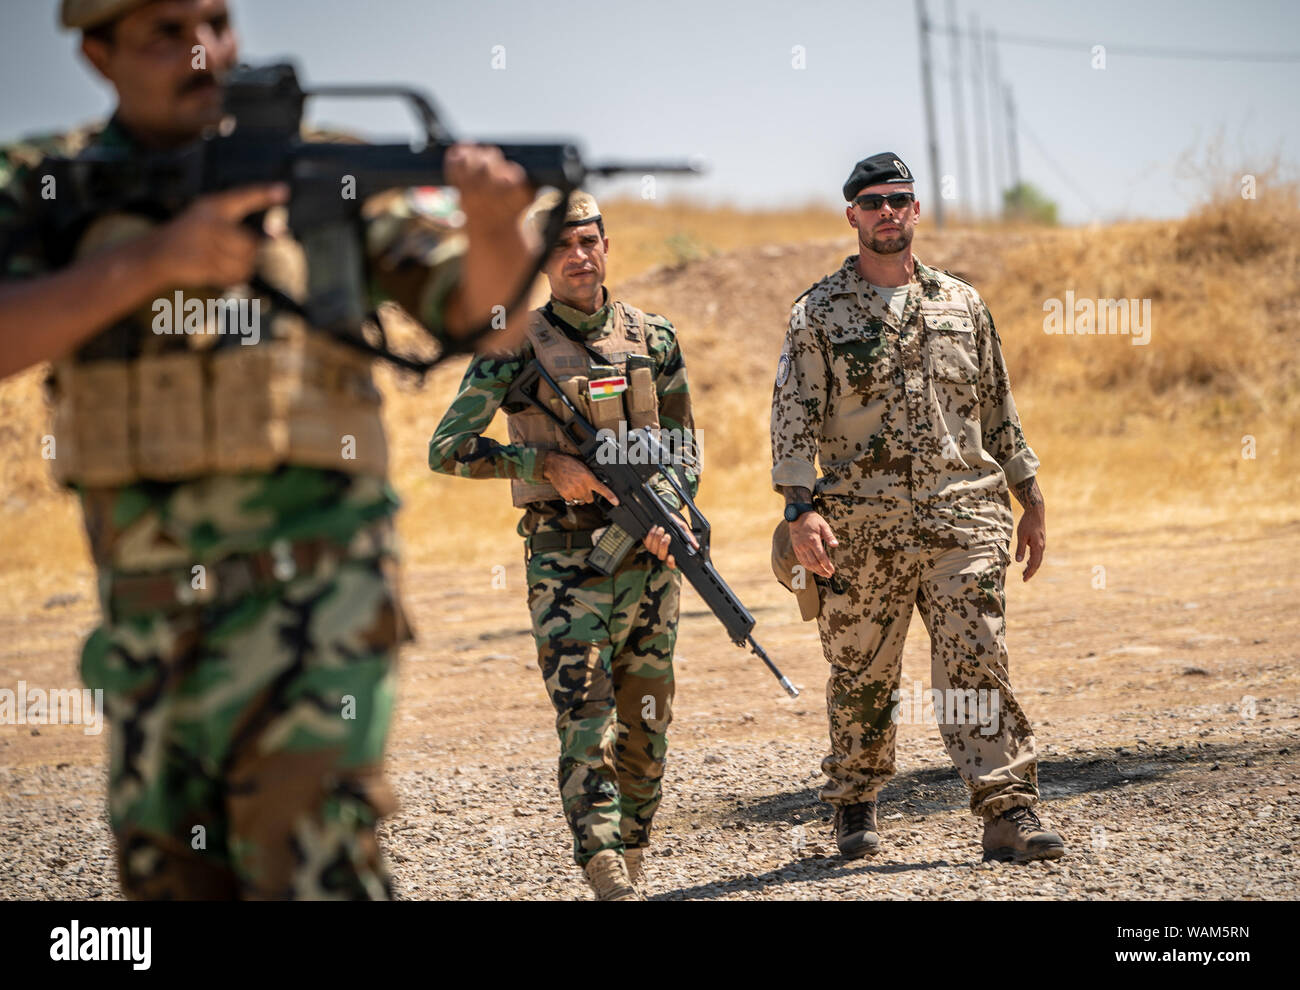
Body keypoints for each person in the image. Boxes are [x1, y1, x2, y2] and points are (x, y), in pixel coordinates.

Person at [0, 0, 537, 899]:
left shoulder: (326, 168)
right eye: (163, 33)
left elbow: (484, 320)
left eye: (215, 21)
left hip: (320, 604)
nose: (202, 51)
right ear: (97, 54)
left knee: (311, 867)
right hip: (146, 621)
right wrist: (155, 261)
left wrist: (494, 226)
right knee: (168, 877)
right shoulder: (44, 180)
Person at [769, 151, 1065, 864]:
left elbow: (999, 408)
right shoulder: (817, 313)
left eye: (899, 198)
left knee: (977, 662)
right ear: (853, 216)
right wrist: (798, 509)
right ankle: (855, 802)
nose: (887, 212)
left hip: (964, 518)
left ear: (916, 209)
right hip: (859, 529)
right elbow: (793, 420)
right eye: (872, 202)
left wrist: (1030, 496)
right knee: (862, 672)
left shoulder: (962, 304)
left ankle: (1007, 811)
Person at [428, 190, 699, 899]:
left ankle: (632, 850)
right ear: (541, 261)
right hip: (565, 562)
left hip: (652, 556)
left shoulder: (654, 336)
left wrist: (680, 513)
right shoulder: (512, 346)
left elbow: (683, 443)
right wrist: (543, 465)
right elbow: (447, 449)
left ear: (606, 246)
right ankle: (602, 862)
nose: (579, 257)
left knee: (648, 723)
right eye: (562, 246)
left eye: (589, 241)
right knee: (587, 718)